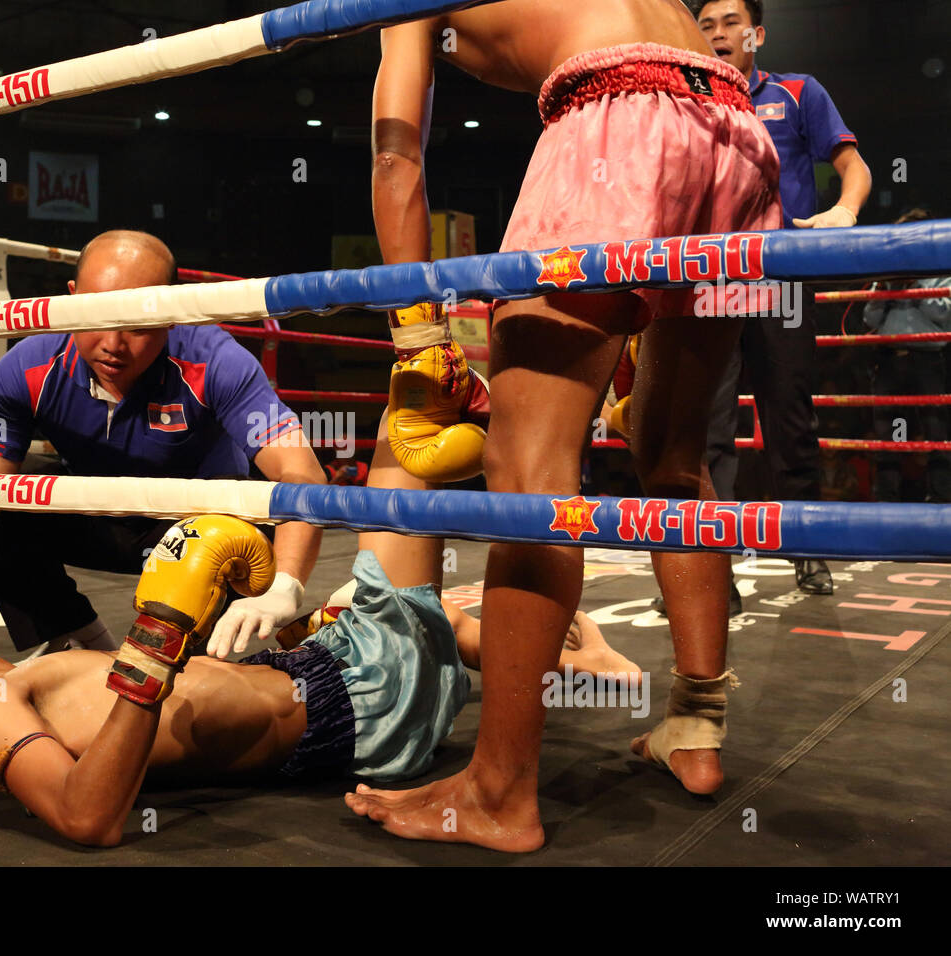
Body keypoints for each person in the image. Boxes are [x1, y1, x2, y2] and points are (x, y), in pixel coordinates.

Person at [351, 0, 780, 851]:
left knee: (528, 472)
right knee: (672, 448)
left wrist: (419, 335)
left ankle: (499, 793)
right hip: (734, 124)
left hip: (618, 114)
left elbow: (396, 155)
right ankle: (694, 733)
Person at [0, 510, 472, 846]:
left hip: (331, 674)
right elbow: (85, 816)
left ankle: (570, 658)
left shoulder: (23, 676)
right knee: (408, 430)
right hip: (356, 711)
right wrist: (157, 635)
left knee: (413, 442)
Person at [0, 231, 326, 659]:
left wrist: (285, 586)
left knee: (248, 534)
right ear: (71, 299)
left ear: (170, 311)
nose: (112, 343)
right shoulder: (28, 369)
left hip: (198, 532)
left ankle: (185, 661)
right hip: (102, 517)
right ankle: (77, 637)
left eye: (136, 323)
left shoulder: (216, 362)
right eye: (96, 315)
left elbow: (301, 474)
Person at [696, 0, 872, 596]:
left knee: (789, 417)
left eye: (729, 24)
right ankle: (711, 569)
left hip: (781, 279)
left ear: (756, 33)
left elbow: (855, 166)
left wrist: (843, 211)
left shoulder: (797, 91)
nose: (718, 35)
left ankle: (805, 549)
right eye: (706, 25)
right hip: (710, 283)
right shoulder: (688, 104)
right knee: (708, 426)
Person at [863, 209, 951, 503]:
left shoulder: (940, 272)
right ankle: (886, 498)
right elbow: (869, 317)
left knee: (936, 430)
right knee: (886, 431)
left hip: (927, 359)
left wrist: (917, 287)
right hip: (889, 358)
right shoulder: (889, 274)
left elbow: (944, 315)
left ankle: (941, 498)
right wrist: (887, 287)